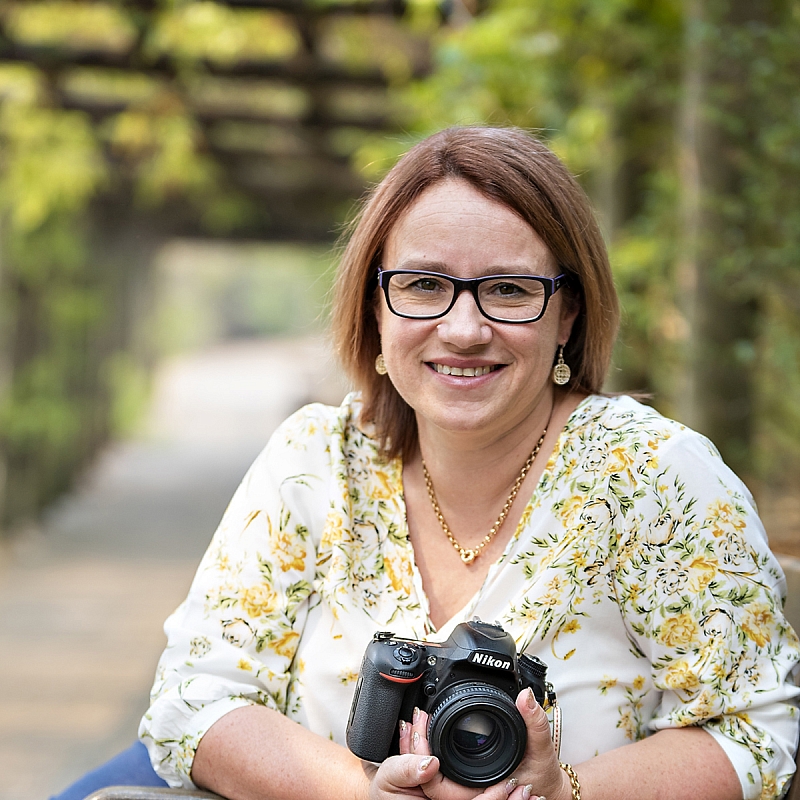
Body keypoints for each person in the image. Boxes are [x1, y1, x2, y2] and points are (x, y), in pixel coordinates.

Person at [64, 126, 800, 800]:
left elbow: (758, 736)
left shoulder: (657, 476)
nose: (464, 327)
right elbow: (196, 696)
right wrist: (364, 794)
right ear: (375, 307)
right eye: (424, 286)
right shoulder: (316, 460)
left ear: (567, 315)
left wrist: (564, 792)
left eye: (510, 290)